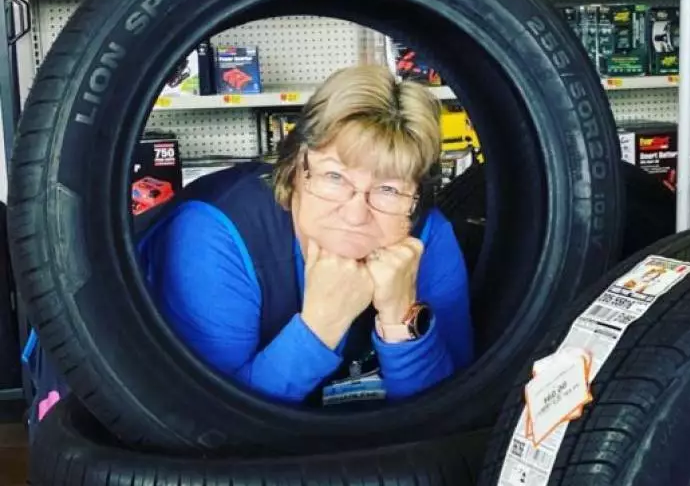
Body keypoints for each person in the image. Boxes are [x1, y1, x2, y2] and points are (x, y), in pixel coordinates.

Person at [141, 65, 472, 405]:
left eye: (388, 189)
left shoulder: (427, 235)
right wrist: (321, 325)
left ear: (416, 196)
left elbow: (449, 411)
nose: (356, 214)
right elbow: (210, 421)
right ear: (297, 168)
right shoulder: (213, 236)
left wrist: (402, 319)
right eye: (335, 177)